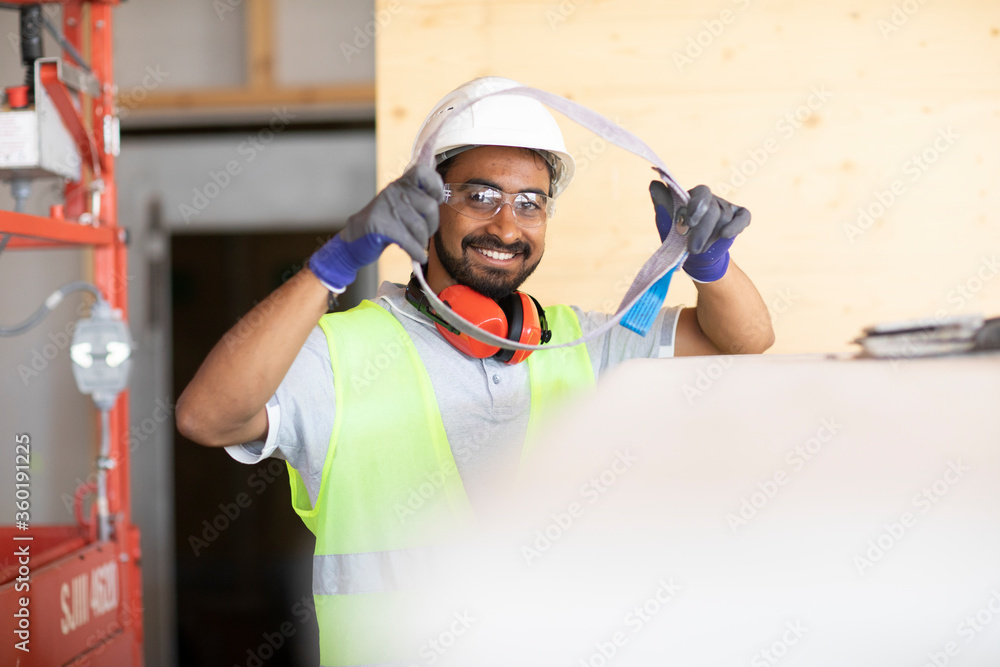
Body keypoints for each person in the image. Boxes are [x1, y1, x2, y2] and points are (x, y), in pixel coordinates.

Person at [176, 76, 774, 667]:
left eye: (530, 203)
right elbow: (206, 417)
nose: (507, 228)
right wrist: (334, 264)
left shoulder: (579, 343)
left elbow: (744, 340)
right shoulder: (342, 354)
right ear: (427, 204)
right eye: (480, 196)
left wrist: (709, 263)